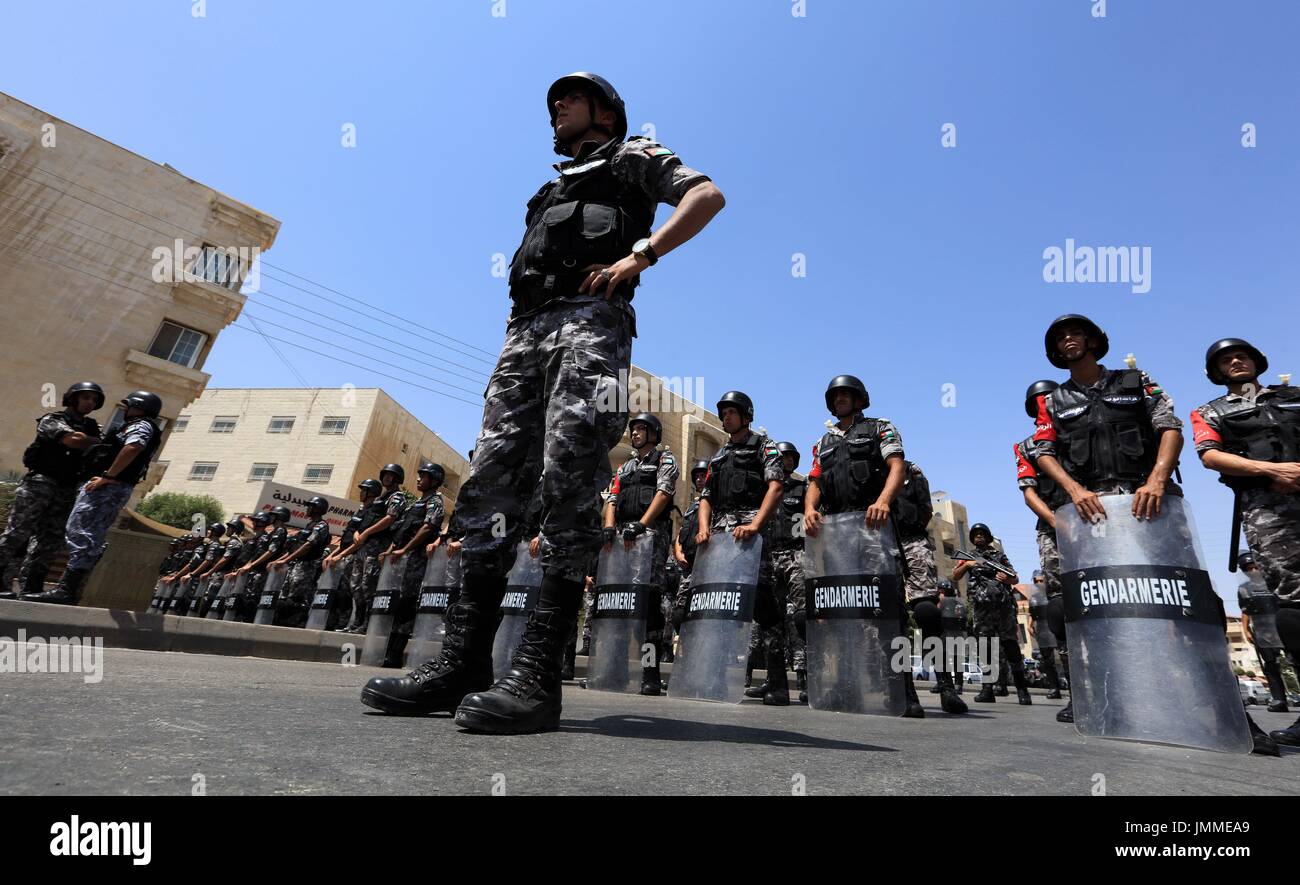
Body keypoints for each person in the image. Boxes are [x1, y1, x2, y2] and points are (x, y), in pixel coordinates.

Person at [360, 72, 723, 733]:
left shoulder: (631, 155)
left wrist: (638, 256)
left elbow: (705, 195)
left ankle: (535, 676)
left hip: (591, 321)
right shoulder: (551, 187)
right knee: (490, 485)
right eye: (556, 99)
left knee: (570, 476)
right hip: (525, 332)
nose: (558, 105)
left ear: (607, 115)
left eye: (573, 97)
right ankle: (464, 663)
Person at [1190, 337, 1300, 744]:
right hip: (1268, 511)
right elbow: (1210, 454)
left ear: (1257, 361)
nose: (1235, 362)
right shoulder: (1211, 411)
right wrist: (1272, 471)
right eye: (1225, 360)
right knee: (1292, 603)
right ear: (1215, 372)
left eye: (1241, 356)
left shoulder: (1293, 397)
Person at [802, 374, 927, 717]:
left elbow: (896, 466)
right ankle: (846, 685)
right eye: (836, 396)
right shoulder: (823, 441)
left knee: (887, 609)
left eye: (846, 394)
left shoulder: (879, 428)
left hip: (873, 528)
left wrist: (884, 501)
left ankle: (902, 689)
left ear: (859, 399)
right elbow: (814, 481)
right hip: (837, 533)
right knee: (840, 608)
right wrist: (810, 509)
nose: (840, 399)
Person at [691, 391, 788, 704]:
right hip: (721, 539)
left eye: (732, 412)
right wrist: (704, 530)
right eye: (724, 413)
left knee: (764, 608)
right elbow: (706, 496)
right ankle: (715, 679)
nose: (726, 417)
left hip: (752, 536)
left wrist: (756, 526)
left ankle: (777, 683)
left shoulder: (764, 446)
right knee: (720, 605)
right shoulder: (719, 456)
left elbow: (775, 486)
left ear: (746, 415)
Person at [26, 390, 163, 605]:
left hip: (108, 488)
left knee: (82, 532)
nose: (126, 409)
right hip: (113, 487)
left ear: (139, 407)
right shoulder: (142, 425)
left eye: (129, 405)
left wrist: (108, 476)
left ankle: (66, 590)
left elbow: (134, 446)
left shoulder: (140, 425)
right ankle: (69, 589)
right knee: (87, 534)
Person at [0, 382, 103, 600]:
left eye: (94, 399)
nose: (90, 403)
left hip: (66, 489)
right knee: (17, 533)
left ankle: (31, 587)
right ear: (73, 398)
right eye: (85, 397)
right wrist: (99, 443)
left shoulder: (93, 427)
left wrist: (94, 441)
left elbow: (94, 447)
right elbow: (72, 440)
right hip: (40, 483)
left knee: (50, 541)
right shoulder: (53, 419)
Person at [601, 412, 678, 695]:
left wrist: (641, 524)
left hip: (649, 538)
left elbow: (664, 493)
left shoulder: (664, 460)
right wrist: (609, 527)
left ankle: (650, 672)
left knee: (650, 606)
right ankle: (615, 668)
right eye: (633, 430)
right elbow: (612, 497)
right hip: (622, 540)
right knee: (618, 603)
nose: (635, 434)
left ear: (654, 433)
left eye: (641, 429)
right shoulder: (624, 468)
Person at [1014, 379, 1071, 714]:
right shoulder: (1027, 446)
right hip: (1055, 524)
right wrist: (1055, 520)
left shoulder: (1083, 424)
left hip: (1103, 514)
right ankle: (1079, 690)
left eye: (1048, 399)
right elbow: (1029, 490)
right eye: (1037, 401)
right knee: (1062, 604)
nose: (1044, 404)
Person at [951, 524, 1028, 704]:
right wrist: (968, 564)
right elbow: (955, 576)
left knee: (1010, 645)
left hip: (1002, 608)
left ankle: (1022, 690)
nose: (979, 537)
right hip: (981, 608)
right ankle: (987, 690)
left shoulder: (999, 556)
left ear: (988, 537)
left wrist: (1006, 578)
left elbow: (1015, 577)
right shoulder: (968, 556)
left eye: (982, 534)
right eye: (976, 535)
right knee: (985, 649)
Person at [380, 463, 447, 664]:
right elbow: (402, 530)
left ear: (434, 481)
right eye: (418, 476)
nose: (418, 479)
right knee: (396, 603)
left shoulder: (435, 501)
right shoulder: (414, 504)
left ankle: (394, 655)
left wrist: (405, 549)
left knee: (407, 604)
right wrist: (391, 550)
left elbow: (428, 528)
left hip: (416, 558)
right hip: (401, 559)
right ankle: (387, 650)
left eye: (423, 476)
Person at [326, 478, 383, 633]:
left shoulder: (374, 510)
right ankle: (354, 623)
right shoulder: (361, 510)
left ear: (371, 492)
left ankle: (359, 623)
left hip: (356, 554)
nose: (361, 492)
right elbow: (348, 536)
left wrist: (341, 555)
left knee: (359, 589)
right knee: (351, 589)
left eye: (364, 489)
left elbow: (359, 541)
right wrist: (333, 554)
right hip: (347, 554)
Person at [271, 497, 332, 628]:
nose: (307, 508)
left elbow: (308, 546)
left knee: (298, 600)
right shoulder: (309, 525)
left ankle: (295, 627)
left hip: (307, 566)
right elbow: (296, 546)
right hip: (296, 565)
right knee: (285, 598)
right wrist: (280, 560)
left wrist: (286, 560)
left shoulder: (321, 526)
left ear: (317, 509)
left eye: (310, 506)